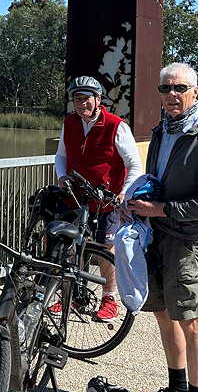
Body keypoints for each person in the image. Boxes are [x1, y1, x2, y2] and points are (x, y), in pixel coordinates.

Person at [128, 63, 198, 392]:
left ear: (195, 92)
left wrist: (162, 208)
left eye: (179, 88)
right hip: (156, 234)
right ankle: (177, 385)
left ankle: (196, 390)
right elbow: (157, 180)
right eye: (165, 89)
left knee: (191, 319)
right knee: (162, 312)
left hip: (186, 239)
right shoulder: (162, 130)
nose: (172, 94)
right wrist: (139, 199)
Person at [54, 75, 143, 321]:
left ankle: (109, 298)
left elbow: (134, 164)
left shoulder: (116, 126)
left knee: (106, 247)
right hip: (76, 196)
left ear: (98, 99)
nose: (81, 104)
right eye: (76, 99)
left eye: (86, 99)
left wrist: (125, 191)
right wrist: (62, 176)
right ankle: (69, 297)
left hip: (107, 200)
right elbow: (61, 155)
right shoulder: (70, 122)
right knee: (71, 245)